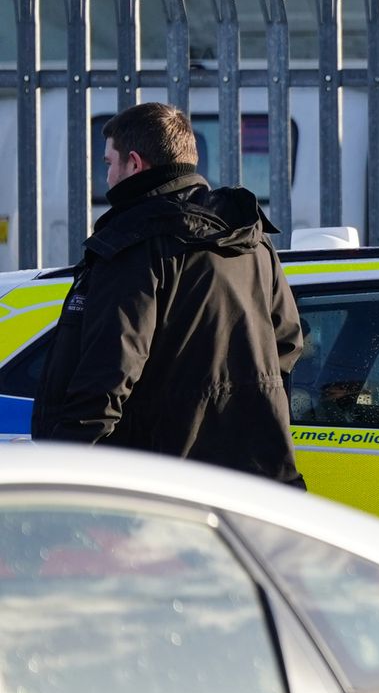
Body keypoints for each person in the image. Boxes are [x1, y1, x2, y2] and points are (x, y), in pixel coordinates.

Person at [32, 102, 306, 487]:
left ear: (134, 163)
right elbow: (288, 343)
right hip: (258, 477)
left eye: (108, 163)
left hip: (165, 483)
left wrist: (60, 465)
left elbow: (110, 370)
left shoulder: (134, 244)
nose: (107, 177)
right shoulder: (251, 238)